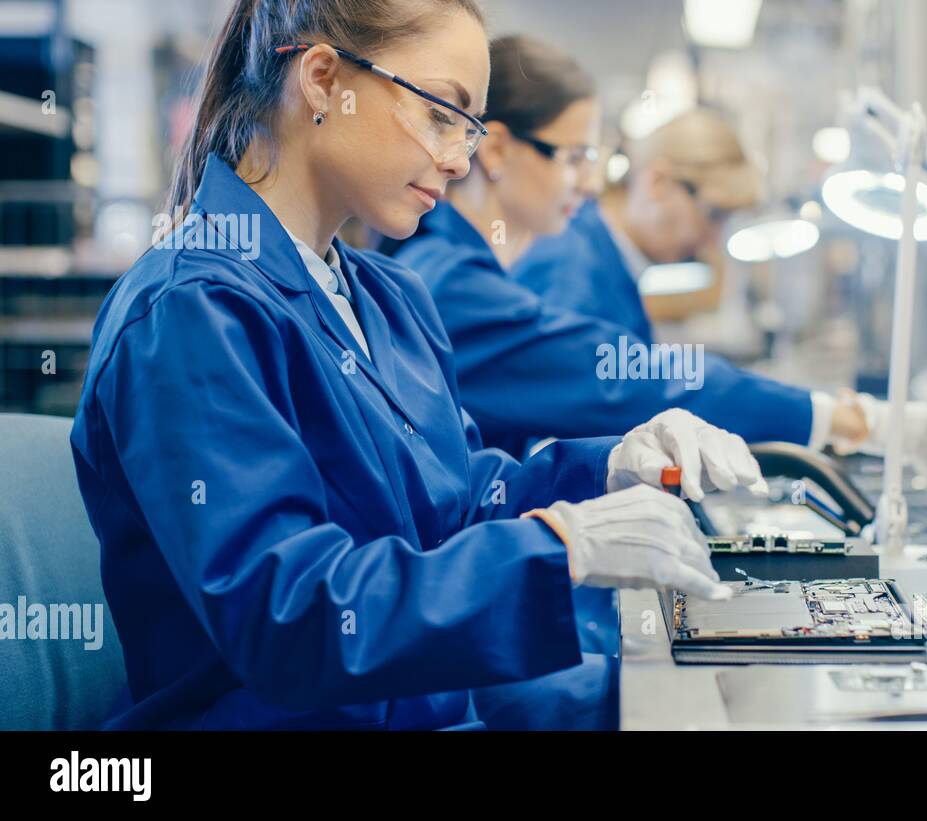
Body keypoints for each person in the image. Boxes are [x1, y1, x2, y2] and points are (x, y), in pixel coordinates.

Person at [68, 0, 763, 731]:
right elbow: (294, 617)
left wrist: (611, 469)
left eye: (468, 129)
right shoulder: (191, 313)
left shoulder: (388, 297)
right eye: (441, 114)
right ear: (323, 80)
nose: (461, 159)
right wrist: (560, 550)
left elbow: (462, 501)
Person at [387, 36, 927, 492]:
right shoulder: (450, 281)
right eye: (572, 157)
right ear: (495, 149)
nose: (590, 181)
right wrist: (849, 420)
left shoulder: (453, 267)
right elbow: (625, 377)